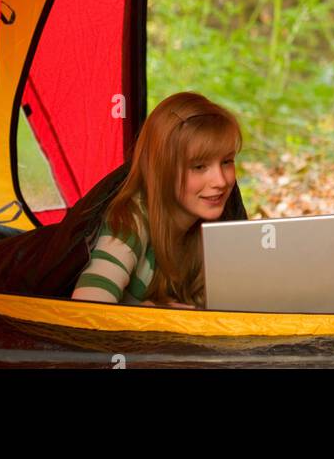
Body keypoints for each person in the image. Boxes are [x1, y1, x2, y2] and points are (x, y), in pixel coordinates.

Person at [72, 90, 242, 308]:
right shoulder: (130, 220)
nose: (220, 181)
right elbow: (87, 310)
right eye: (199, 166)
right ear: (163, 170)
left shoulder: (214, 225)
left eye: (227, 161)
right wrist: (152, 317)